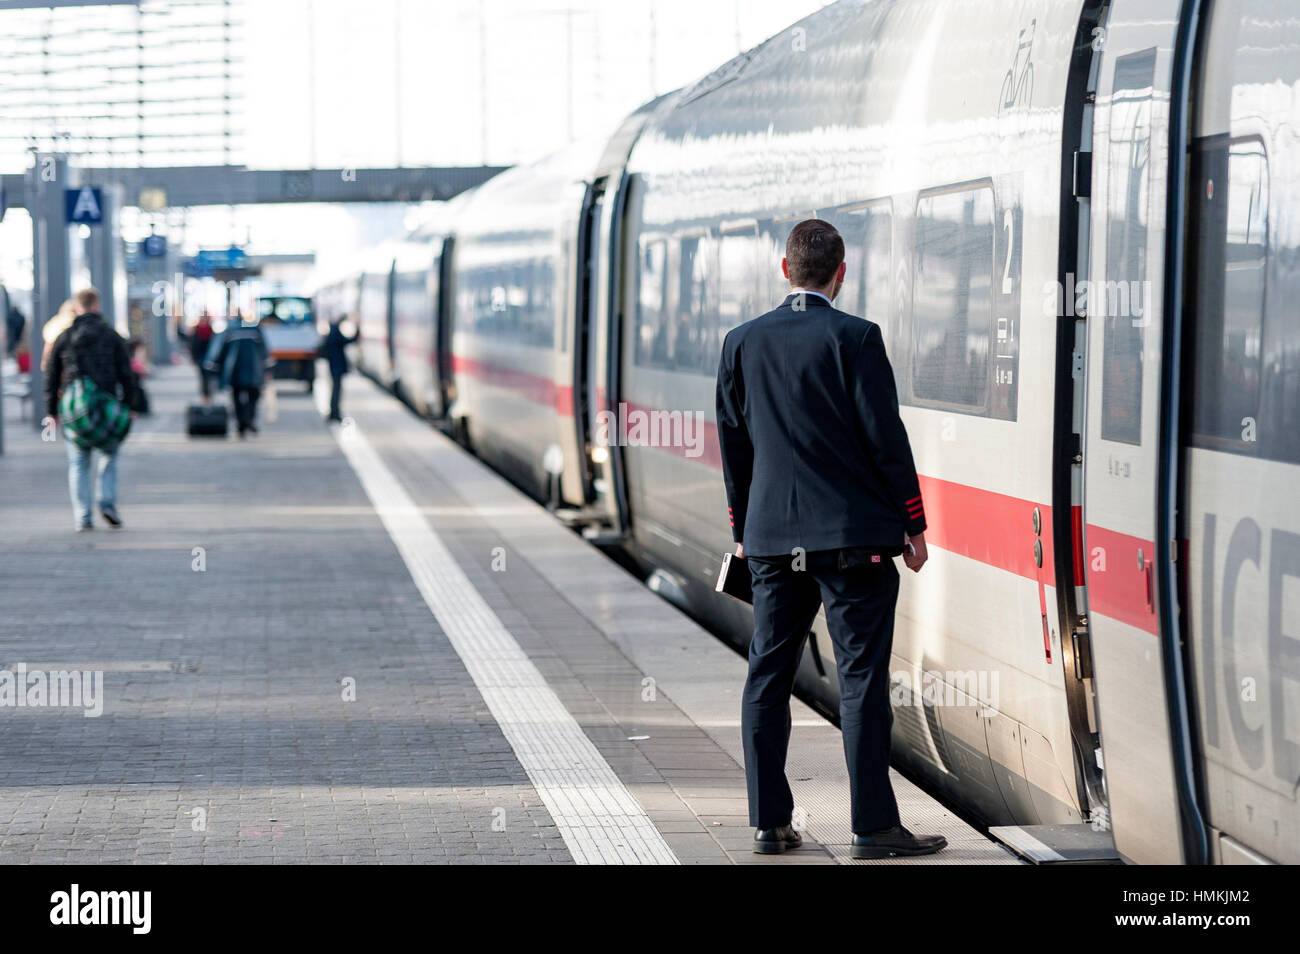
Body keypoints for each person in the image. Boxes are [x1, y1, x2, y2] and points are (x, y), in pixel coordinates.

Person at [715, 219, 945, 859]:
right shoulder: (857, 338)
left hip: (769, 544)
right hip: (854, 543)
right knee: (862, 681)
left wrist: (742, 530)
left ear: (784, 270)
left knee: (767, 673)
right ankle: (872, 828)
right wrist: (914, 522)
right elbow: (885, 439)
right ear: (840, 275)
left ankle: (768, 822)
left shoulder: (740, 343)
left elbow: (734, 448)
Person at [43, 287, 139, 531]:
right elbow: (127, 374)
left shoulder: (64, 337)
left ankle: (83, 517)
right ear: (96, 306)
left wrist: (51, 411)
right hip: (106, 404)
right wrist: (130, 405)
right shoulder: (111, 335)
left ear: (77, 307)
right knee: (109, 455)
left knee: (78, 462)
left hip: (74, 408)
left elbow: (52, 377)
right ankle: (107, 503)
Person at [205, 312, 268, 438]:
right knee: (253, 396)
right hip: (253, 370)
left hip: (234, 370)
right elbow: (264, 350)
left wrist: (212, 365)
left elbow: (218, 350)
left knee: (236, 397)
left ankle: (241, 424)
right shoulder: (255, 330)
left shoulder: (229, 330)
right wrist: (266, 368)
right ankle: (249, 418)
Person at [317, 314, 358, 423]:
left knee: (335, 390)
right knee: (336, 390)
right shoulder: (335, 331)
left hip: (334, 366)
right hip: (336, 366)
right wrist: (357, 332)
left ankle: (334, 413)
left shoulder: (333, 330)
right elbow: (347, 341)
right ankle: (334, 413)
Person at [178, 311, 216, 403]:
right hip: (200, 357)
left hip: (209, 357)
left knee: (208, 377)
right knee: (203, 377)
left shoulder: (211, 331)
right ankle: (205, 394)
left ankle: (207, 394)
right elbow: (191, 343)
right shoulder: (197, 330)